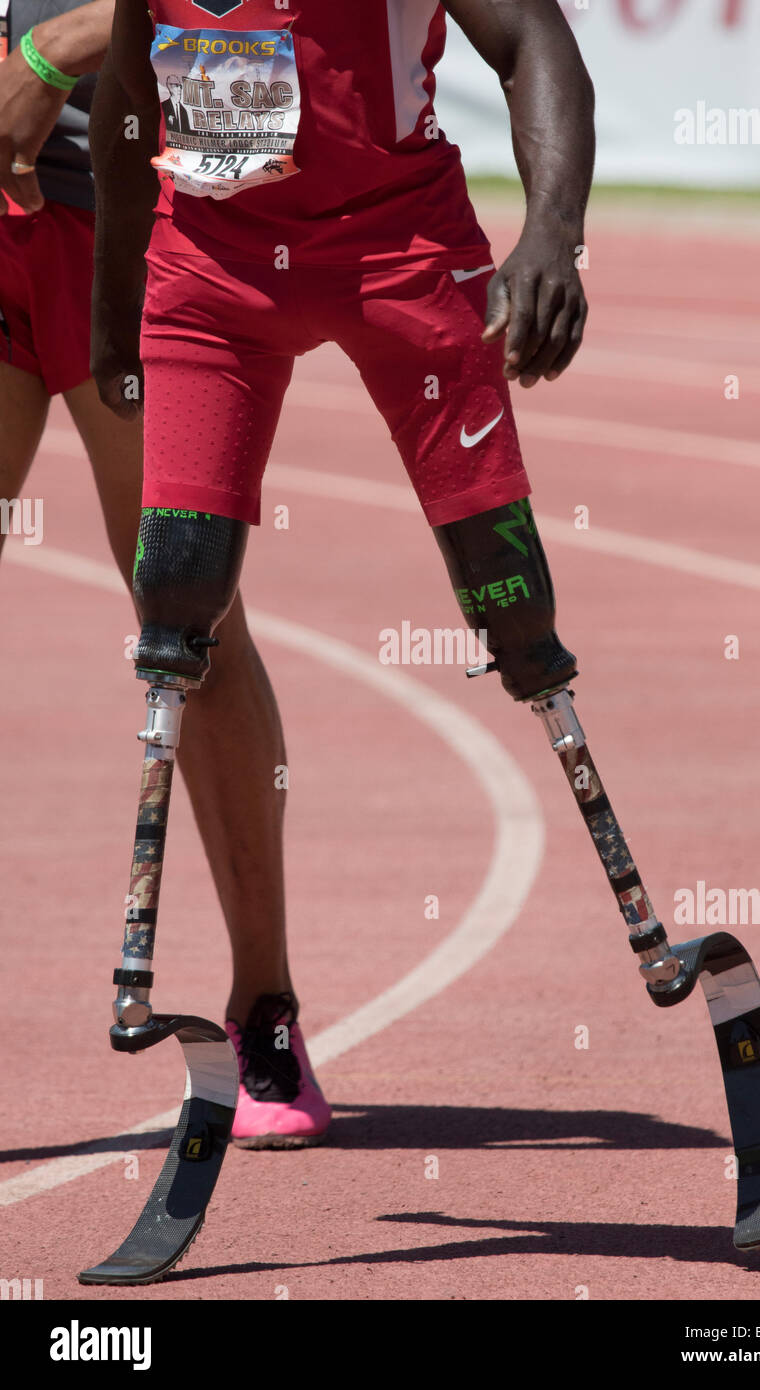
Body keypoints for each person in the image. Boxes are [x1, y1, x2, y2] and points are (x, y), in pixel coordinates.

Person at [89, 0, 595, 1145]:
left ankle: (644, 925)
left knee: (515, 608)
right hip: (212, 271)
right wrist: (115, 310)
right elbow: (127, 97)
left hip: (398, 254)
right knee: (174, 606)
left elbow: (534, 43)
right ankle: (254, 1008)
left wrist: (549, 236)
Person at [0, 0, 331, 1148]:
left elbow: (261, 78)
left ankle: (264, 1004)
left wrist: (70, 45)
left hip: (138, 220)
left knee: (192, 617)